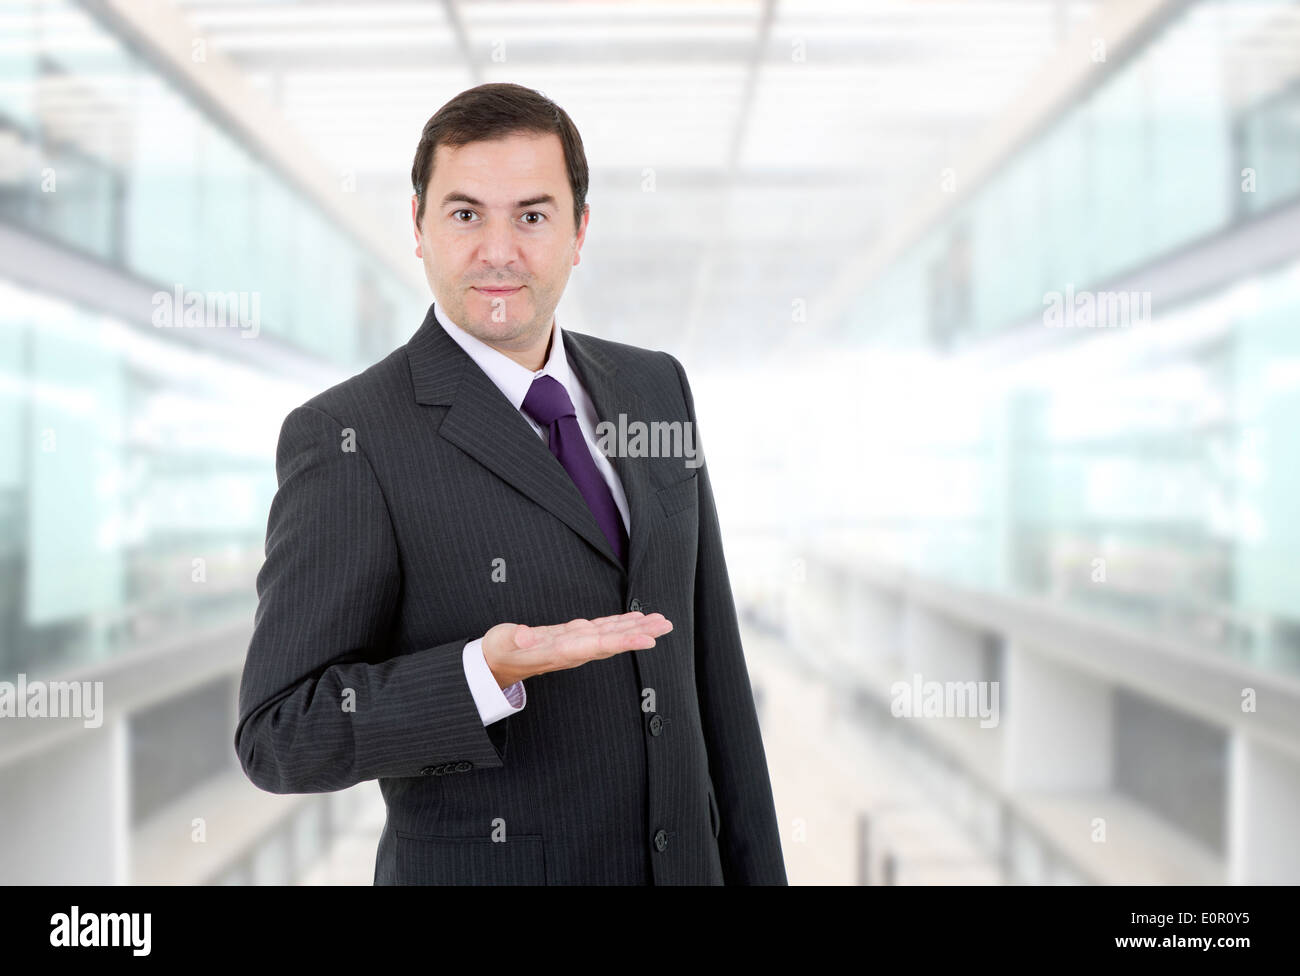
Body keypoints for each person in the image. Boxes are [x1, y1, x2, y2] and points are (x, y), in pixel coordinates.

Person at [234, 82, 786, 885]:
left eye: (531, 215)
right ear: (418, 227)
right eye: (465, 215)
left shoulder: (656, 388)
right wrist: (479, 675)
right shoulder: (348, 438)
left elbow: (718, 685)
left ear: (578, 231)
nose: (499, 250)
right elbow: (278, 734)